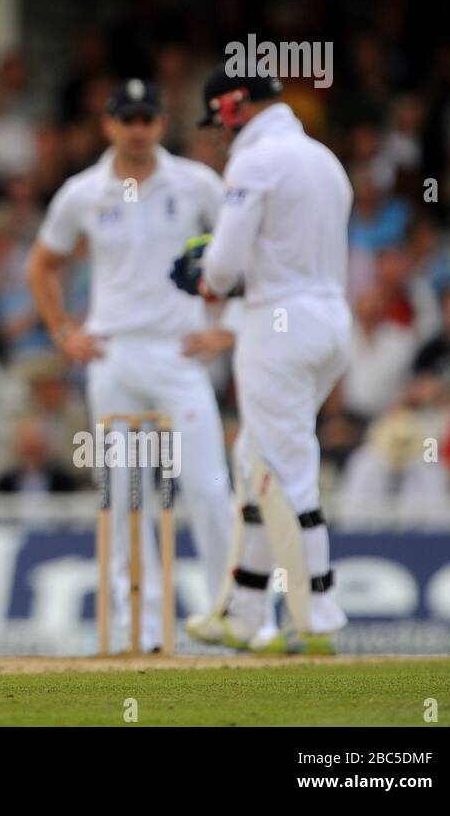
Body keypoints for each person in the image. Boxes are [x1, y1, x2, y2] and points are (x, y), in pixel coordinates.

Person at [27, 79, 235, 652]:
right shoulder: (83, 191)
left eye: (147, 118)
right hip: (113, 354)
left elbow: (244, 252)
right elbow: (42, 266)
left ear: (161, 124)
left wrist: (228, 329)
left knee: (208, 487)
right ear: (109, 126)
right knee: (124, 493)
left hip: (179, 351)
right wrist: (64, 332)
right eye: (128, 119)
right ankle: (136, 626)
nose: (138, 129)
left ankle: (227, 616)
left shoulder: (195, 183)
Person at [178, 67, 352, 655]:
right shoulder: (325, 159)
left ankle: (318, 617)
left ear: (232, 107)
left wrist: (203, 274)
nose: (219, 135)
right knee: (256, 455)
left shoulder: (255, 161)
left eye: (218, 120)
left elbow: (223, 269)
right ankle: (244, 610)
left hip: (279, 328)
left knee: (286, 467)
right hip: (330, 321)